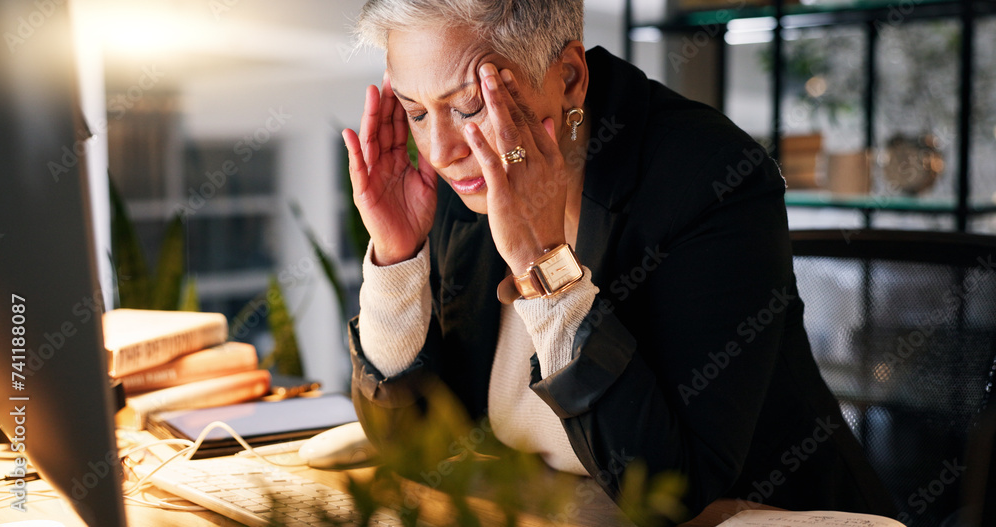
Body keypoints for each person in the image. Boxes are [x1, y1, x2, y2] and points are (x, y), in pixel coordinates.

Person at [342, 0, 895, 519]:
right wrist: (397, 257)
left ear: (569, 78)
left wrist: (545, 267)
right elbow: (413, 446)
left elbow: (671, 491)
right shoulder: (464, 185)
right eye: (415, 112)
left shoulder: (712, 179)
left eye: (469, 106)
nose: (440, 150)